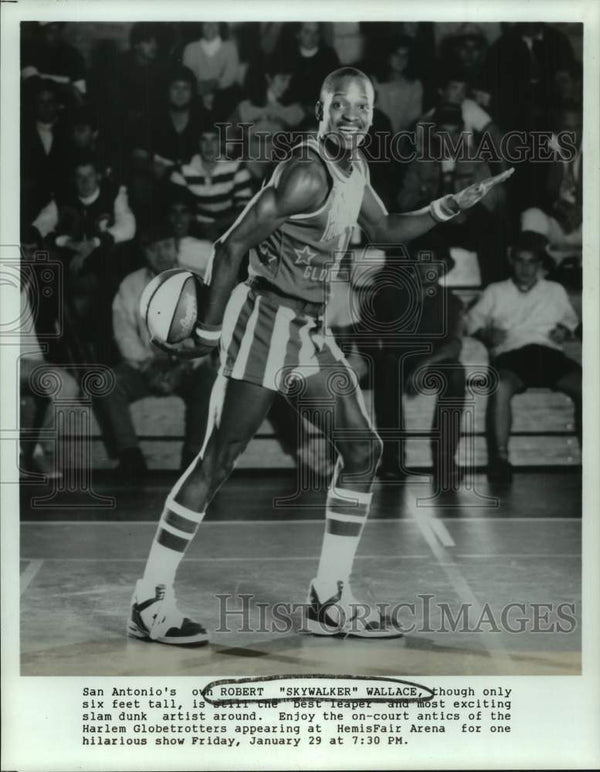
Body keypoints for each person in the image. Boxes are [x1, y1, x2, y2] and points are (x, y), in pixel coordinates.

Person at [127, 67, 511, 646]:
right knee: (219, 460)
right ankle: (149, 598)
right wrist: (208, 330)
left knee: (362, 449)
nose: (352, 115)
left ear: (372, 113)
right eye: (341, 105)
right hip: (264, 325)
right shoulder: (307, 173)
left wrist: (447, 207)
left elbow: (383, 229)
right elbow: (232, 244)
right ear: (321, 110)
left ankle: (328, 600)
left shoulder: (355, 167)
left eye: (362, 106)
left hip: (306, 328)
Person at [96, 222, 217, 480]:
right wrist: (147, 366)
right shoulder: (131, 284)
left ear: (175, 247)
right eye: (154, 249)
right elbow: (124, 332)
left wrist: (184, 366)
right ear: (144, 252)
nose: (161, 254)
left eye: (166, 247)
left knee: (210, 382)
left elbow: (207, 335)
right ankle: (131, 457)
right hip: (147, 363)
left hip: (186, 364)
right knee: (107, 382)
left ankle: (193, 460)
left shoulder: (196, 281)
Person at [466, 231, 581, 484]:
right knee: (500, 386)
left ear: (540, 265)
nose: (525, 267)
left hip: (548, 354)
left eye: (531, 262)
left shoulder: (554, 290)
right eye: (520, 260)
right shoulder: (496, 291)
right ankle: (500, 459)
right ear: (512, 261)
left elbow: (571, 322)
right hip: (511, 355)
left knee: (587, 387)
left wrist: (564, 329)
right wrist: (486, 333)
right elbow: (470, 322)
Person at [372, 250, 466, 488]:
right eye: (422, 261)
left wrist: (426, 365)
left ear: (444, 266)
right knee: (386, 368)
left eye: (435, 261)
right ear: (414, 265)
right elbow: (370, 332)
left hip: (434, 361)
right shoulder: (390, 294)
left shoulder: (451, 300)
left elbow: (454, 344)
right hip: (398, 359)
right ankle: (392, 459)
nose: (428, 267)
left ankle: (444, 460)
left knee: (455, 373)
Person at [169, 124, 253, 241]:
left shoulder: (237, 167)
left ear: (222, 143)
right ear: (197, 143)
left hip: (231, 226)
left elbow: (245, 209)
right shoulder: (182, 170)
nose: (209, 146)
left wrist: (215, 226)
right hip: (197, 228)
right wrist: (203, 229)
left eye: (214, 139)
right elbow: (178, 210)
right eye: (204, 140)